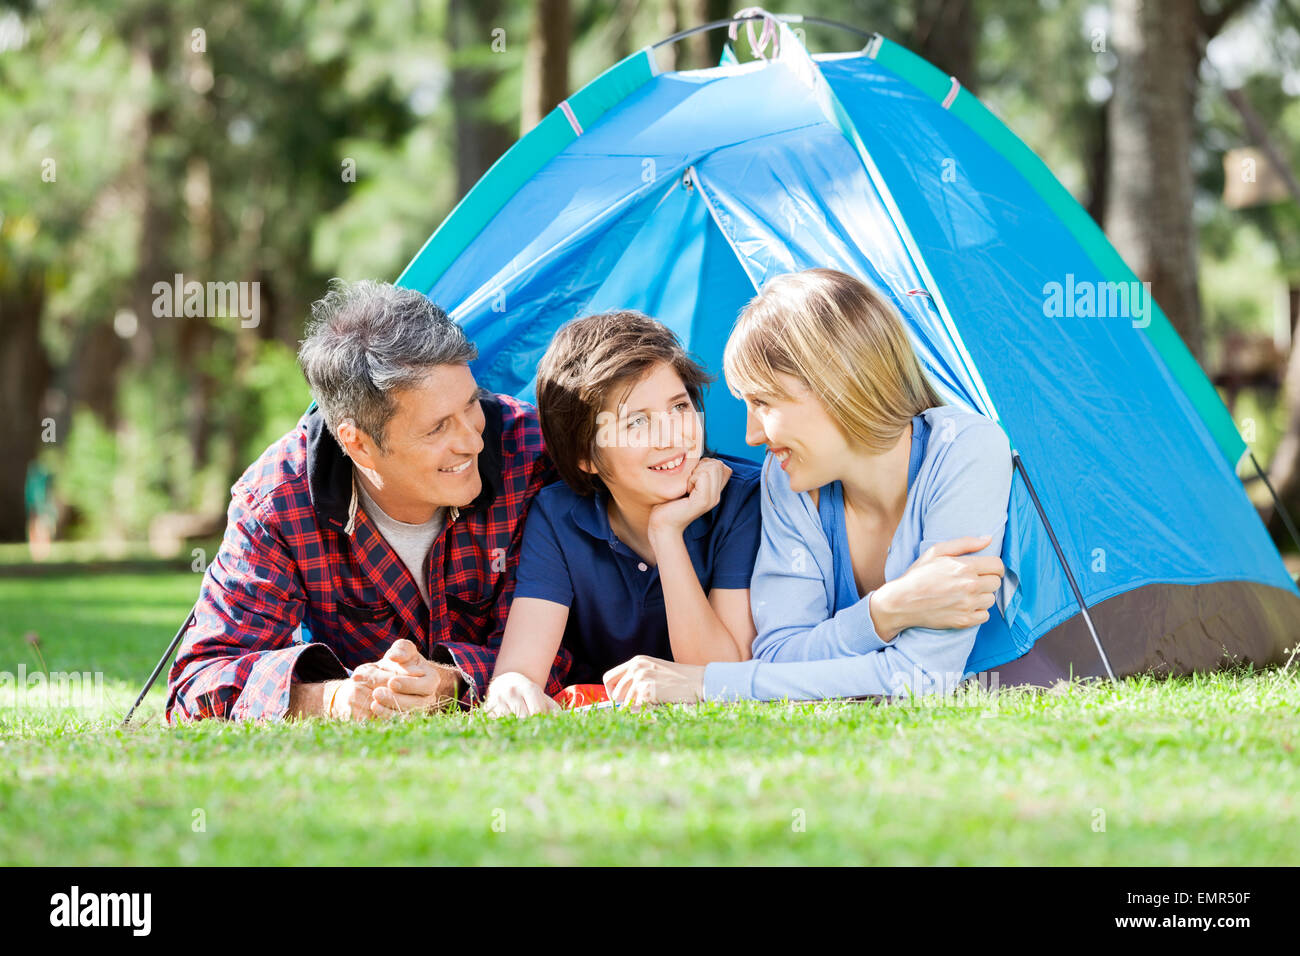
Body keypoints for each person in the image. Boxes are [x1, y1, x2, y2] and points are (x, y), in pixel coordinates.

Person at [602, 268, 1012, 706]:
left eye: (762, 402)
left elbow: (920, 678)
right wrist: (885, 610)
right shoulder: (788, 479)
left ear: (838, 384)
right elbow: (778, 653)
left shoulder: (965, 450)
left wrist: (708, 684)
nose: (751, 436)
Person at [165, 279, 570, 722]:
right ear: (357, 444)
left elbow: (590, 641)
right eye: (437, 428)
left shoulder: (536, 457)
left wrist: (451, 683)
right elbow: (198, 684)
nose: (473, 440)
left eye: (472, 404)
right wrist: (333, 700)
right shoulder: (275, 502)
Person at [483, 312, 762, 717]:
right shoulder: (558, 515)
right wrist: (510, 685)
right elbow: (521, 672)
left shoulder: (740, 499)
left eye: (679, 406)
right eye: (636, 422)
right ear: (585, 457)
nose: (672, 436)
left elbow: (720, 673)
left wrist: (667, 533)